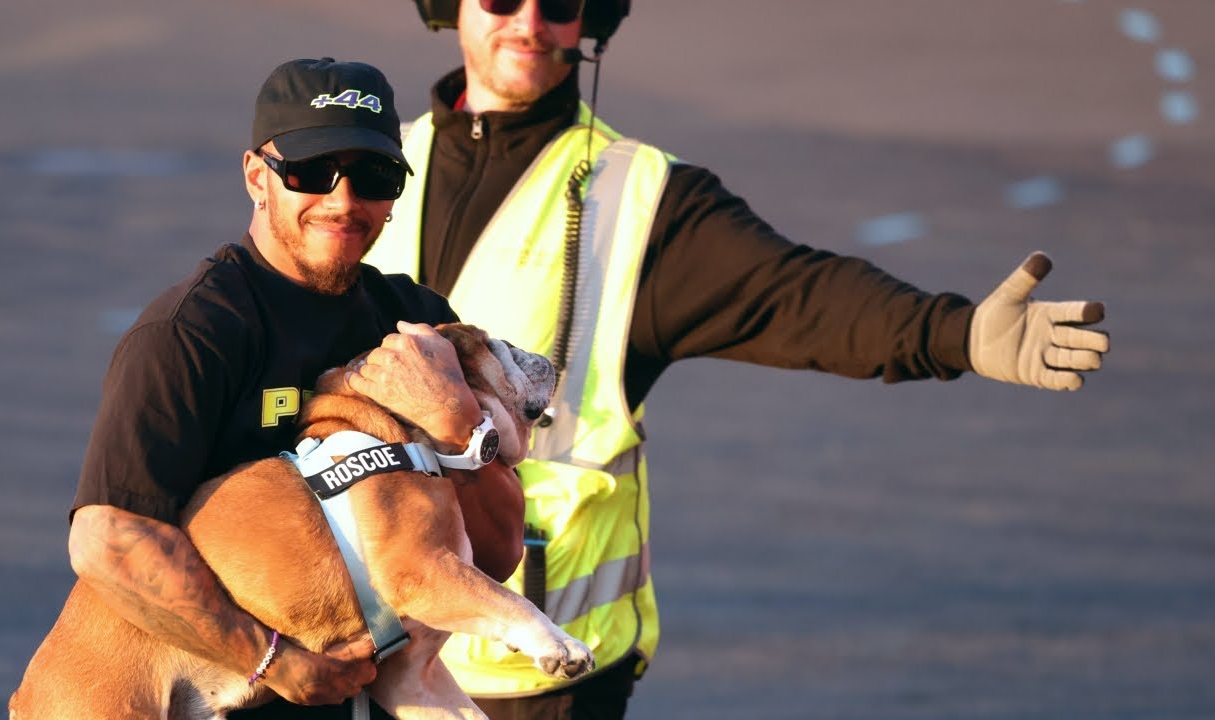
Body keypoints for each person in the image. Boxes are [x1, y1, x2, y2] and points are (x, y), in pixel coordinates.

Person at [361, 1, 1112, 718]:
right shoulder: (375, 173)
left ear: (594, 18)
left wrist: (960, 333)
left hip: (535, 675)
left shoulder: (643, 200)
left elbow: (800, 295)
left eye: (559, 1)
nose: (529, 21)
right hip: (368, 646)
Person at [66, 57, 525, 719]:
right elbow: (107, 539)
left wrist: (456, 427)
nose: (343, 201)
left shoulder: (416, 324)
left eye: (372, 176)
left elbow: (500, 553)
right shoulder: (191, 333)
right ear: (258, 176)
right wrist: (270, 659)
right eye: (312, 172)